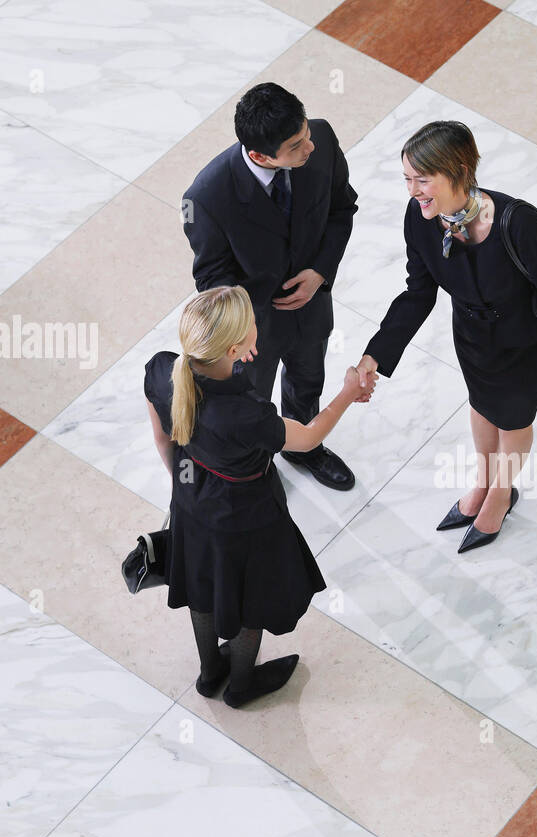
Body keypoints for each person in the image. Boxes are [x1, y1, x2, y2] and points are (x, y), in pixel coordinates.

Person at [355, 120, 537, 551]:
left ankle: (501, 494)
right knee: (483, 407)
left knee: (514, 419)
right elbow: (418, 292)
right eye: (407, 179)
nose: (412, 191)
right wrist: (376, 354)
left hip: (527, 344)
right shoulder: (421, 217)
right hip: (472, 338)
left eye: (422, 179)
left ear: (460, 170)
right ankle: (483, 483)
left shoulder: (517, 223)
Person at [144, 285, 374, 707]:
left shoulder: (163, 370)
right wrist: (346, 392)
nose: (258, 328)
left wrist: (184, 487)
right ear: (234, 348)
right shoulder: (248, 416)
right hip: (245, 517)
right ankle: (241, 685)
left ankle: (210, 672)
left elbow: (163, 439)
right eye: (253, 324)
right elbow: (307, 439)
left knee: (202, 583)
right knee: (250, 599)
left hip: (192, 503)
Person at [181, 82, 358, 491]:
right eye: (297, 145)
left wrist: (320, 271)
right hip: (253, 327)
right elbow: (210, 277)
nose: (309, 147)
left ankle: (303, 446)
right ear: (260, 155)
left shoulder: (322, 139)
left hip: (312, 304)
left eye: (306, 134)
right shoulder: (207, 196)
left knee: (309, 376)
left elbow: (341, 209)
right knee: (252, 399)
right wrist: (242, 325)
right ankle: (258, 466)